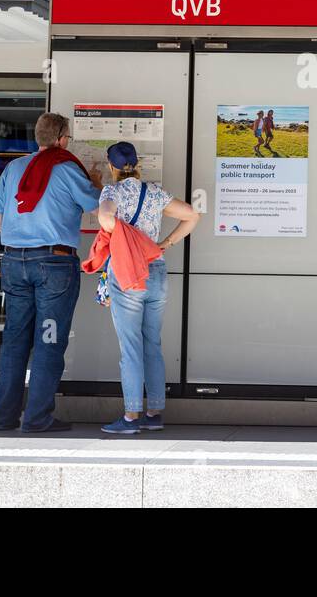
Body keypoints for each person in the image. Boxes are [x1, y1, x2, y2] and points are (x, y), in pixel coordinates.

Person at [0, 113, 102, 433]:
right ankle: (37, 418)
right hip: (53, 265)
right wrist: (96, 184)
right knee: (48, 340)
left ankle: (3, 417)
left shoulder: (13, 169)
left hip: (14, 264)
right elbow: (98, 206)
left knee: (14, 341)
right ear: (62, 138)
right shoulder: (66, 168)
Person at [96, 141, 200, 435]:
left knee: (130, 348)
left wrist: (124, 237)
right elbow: (192, 215)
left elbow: (105, 218)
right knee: (152, 344)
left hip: (128, 273)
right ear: (137, 164)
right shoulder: (154, 191)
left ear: (112, 166)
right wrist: (164, 244)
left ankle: (130, 417)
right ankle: (154, 413)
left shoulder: (112, 192)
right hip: (156, 269)